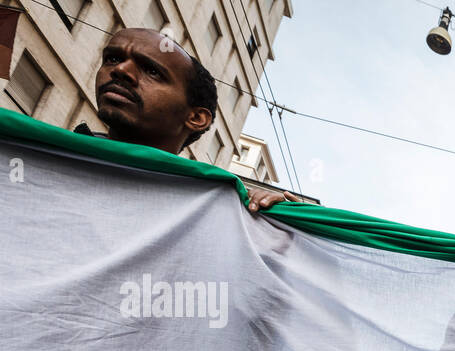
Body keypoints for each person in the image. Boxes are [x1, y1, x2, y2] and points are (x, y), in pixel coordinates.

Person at [75, 28, 295, 213]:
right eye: (112, 59)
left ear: (196, 118)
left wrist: (284, 227)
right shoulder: (50, 155)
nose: (120, 70)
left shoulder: (218, 209)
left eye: (152, 71)